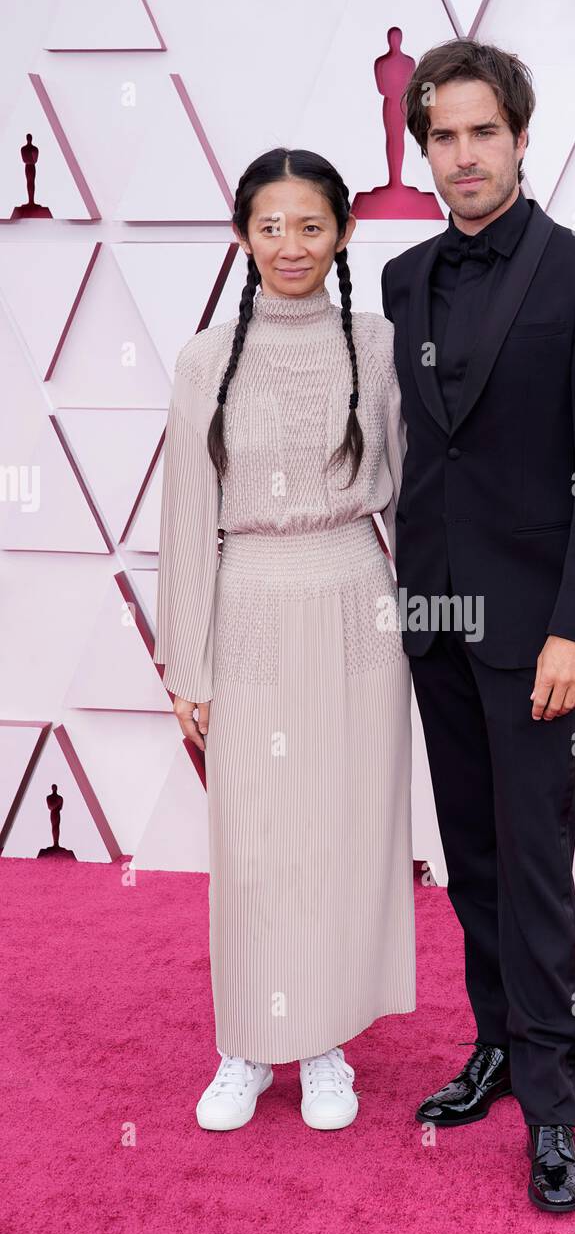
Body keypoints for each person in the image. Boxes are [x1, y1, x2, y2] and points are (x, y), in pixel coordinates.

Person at [381, 40, 575, 1212]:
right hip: (433, 610)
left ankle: (550, 1101)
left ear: (522, 138)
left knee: (534, 865)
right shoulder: (399, 279)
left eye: (483, 132)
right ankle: (492, 1041)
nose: (463, 154)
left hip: (537, 628)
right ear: (421, 148)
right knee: (472, 857)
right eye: (442, 136)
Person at [153, 147, 415, 1133]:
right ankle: (245, 1044)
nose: (291, 245)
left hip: (356, 596)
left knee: (341, 833)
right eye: (271, 226)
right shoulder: (202, 358)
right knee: (255, 840)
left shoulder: (382, 344)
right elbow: (186, 515)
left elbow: (425, 488)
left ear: (343, 232)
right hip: (248, 600)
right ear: (241, 236)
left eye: (311, 225)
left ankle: (324, 1044)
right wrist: (188, 663)